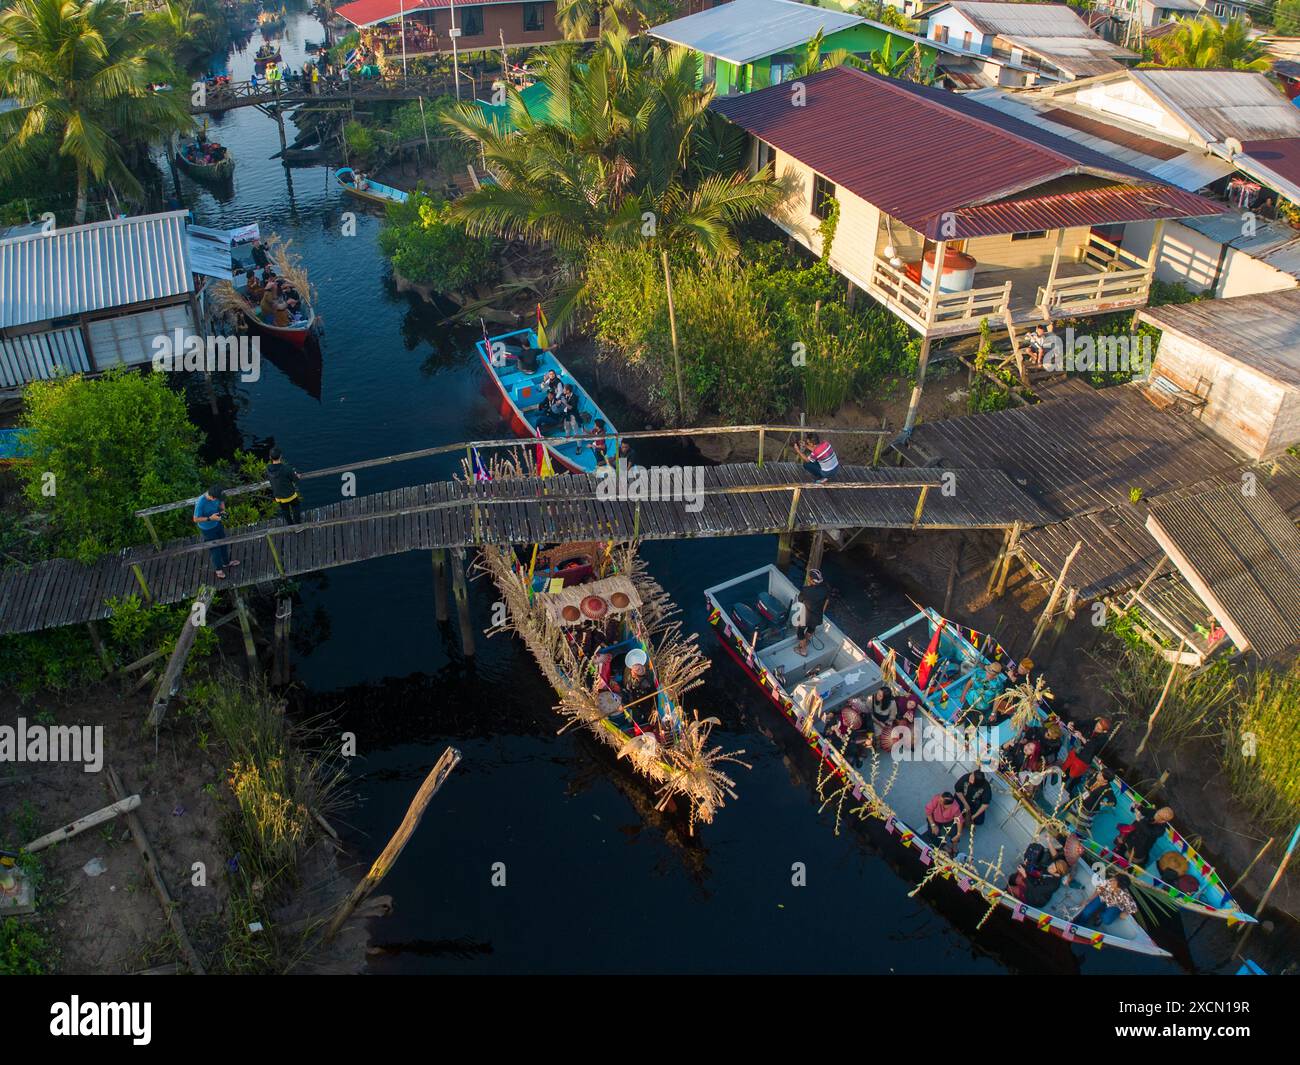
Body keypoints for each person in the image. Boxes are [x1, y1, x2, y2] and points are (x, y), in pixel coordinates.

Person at [193, 486, 239, 579]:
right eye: (218, 499)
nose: (220, 501)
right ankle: (218, 569)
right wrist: (210, 518)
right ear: (212, 497)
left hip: (217, 524)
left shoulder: (217, 495)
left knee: (223, 543)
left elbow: (221, 502)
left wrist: (222, 511)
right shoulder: (200, 502)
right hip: (207, 529)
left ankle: (226, 563)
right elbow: (195, 519)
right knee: (215, 549)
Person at [1062, 716, 1111, 794]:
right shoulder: (1092, 722)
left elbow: (1092, 747)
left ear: (1104, 731)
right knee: (1066, 769)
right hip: (1077, 751)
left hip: (1085, 759)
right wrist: (1072, 724)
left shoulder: (1103, 739)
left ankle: (1069, 790)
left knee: (1074, 776)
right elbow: (1081, 722)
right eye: (1097, 726)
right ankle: (1061, 782)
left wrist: (1082, 738)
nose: (1096, 728)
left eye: (1099, 729)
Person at [958, 661, 1006, 727]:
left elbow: (997, 699)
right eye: (988, 672)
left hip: (981, 708)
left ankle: (964, 735)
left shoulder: (999, 685)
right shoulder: (978, 673)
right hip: (970, 700)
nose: (988, 675)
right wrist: (963, 695)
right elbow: (969, 683)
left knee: (972, 725)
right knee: (961, 718)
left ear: (996, 675)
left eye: (991, 674)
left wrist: (993, 713)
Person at [794, 568, 829, 657]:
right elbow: (827, 601)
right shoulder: (825, 589)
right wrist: (822, 612)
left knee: (800, 631)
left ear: (810, 580)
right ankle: (806, 640)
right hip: (817, 615)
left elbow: (800, 600)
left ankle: (803, 650)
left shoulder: (806, 590)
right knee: (811, 628)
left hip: (806, 616)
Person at [266, 447, 302, 525]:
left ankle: (290, 525)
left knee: (285, 510)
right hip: (289, 494)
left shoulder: (268, 468)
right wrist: (296, 475)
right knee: (296, 507)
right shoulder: (286, 468)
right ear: (281, 456)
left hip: (278, 496)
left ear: (270, 457)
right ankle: (298, 525)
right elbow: (295, 479)